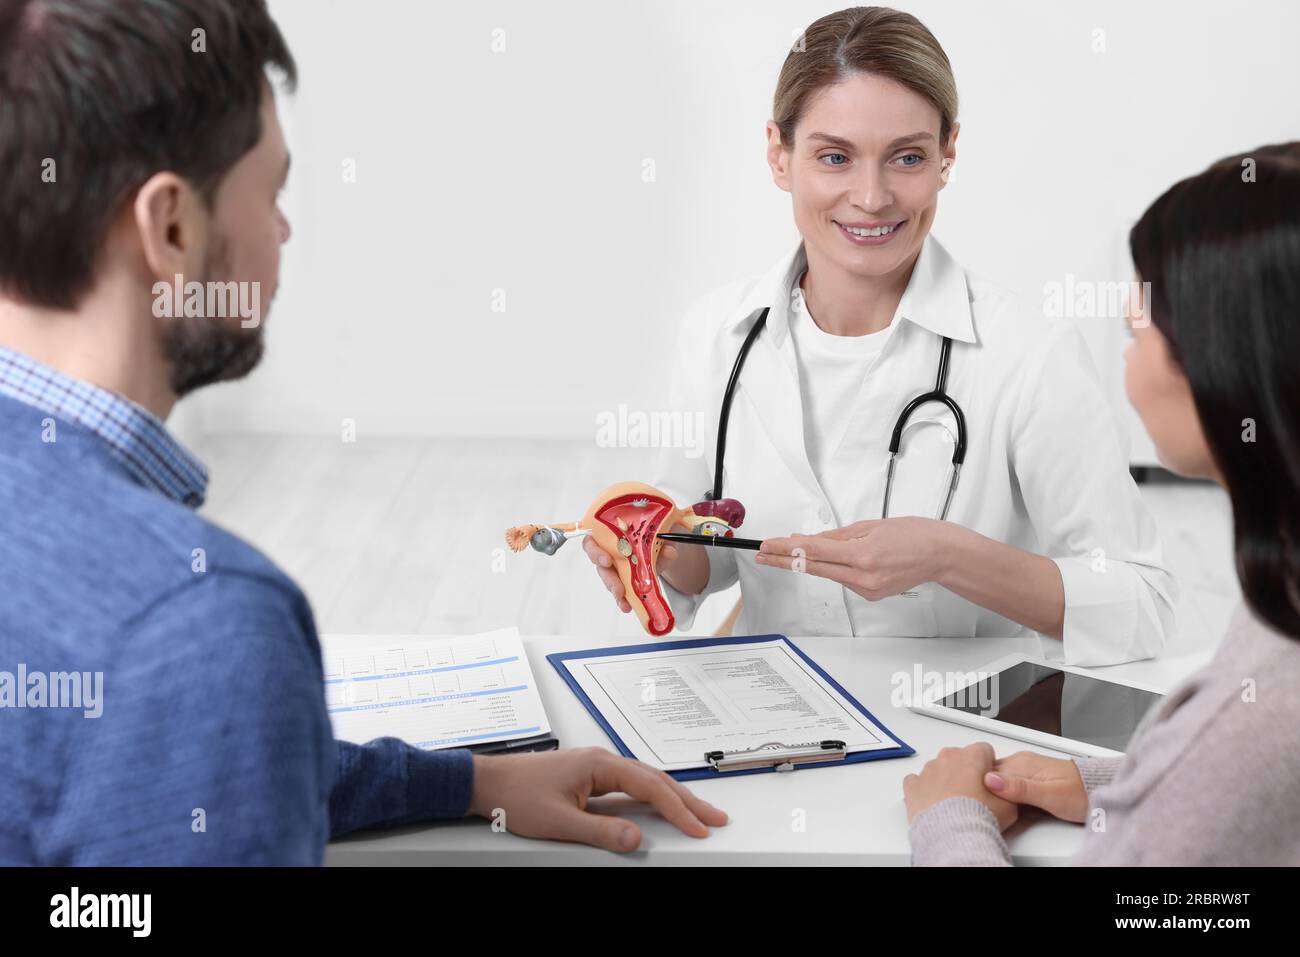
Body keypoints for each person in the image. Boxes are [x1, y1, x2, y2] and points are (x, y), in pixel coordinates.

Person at [0, 0, 725, 865]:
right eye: (270, 193)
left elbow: (166, 767)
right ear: (173, 230)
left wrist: (470, 783)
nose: (283, 230)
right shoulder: (201, 622)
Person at [586, 6, 1176, 666]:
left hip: (952, 739)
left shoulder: (1028, 355)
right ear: (778, 155)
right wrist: (653, 550)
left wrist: (947, 554)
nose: (870, 196)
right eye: (834, 157)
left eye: (907, 157)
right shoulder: (716, 334)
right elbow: (703, 566)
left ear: (948, 154)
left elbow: (1143, 603)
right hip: (763, 715)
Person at [903, 143, 1300, 865]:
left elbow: (1234, 775)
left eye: (1138, 331)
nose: (1127, 356)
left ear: (1229, 360)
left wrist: (951, 820)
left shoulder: (1265, 702)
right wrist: (1136, 782)